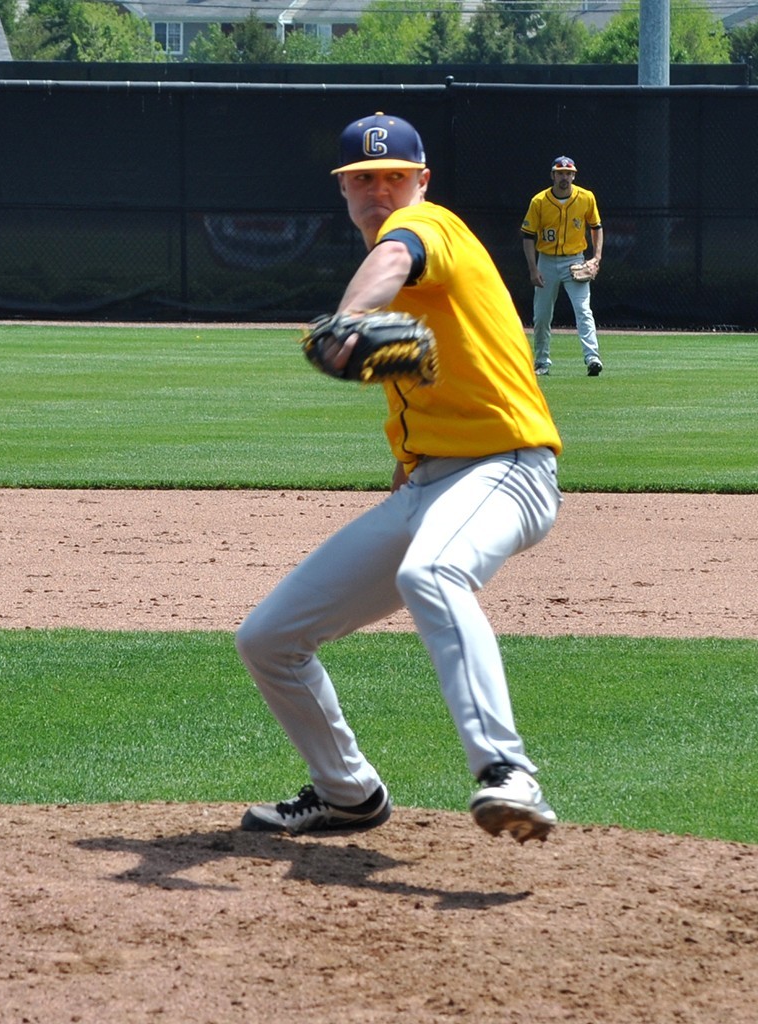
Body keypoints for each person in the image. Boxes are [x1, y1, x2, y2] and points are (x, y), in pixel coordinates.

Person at [235, 112, 564, 845]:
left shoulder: (430, 230)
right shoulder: (398, 270)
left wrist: (347, 317)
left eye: (393, 177)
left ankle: (507, 771)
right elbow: (422, 389)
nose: (380, 190)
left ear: (422, 181)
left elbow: (395, 257)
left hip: (510, 467)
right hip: (430, 486)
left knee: (433, 575)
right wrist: (403, 473)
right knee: (269, 638)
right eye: (363, 179)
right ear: (345, 191)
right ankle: (347, 792)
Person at [521, 155, 604, 376]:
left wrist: (596, 258)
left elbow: (596, 227)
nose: (564, 177)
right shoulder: (539, 201)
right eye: (560, 173)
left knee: (583, 310)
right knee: (541, 315)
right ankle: (541, 362)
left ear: (574, 175)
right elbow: (528, 236)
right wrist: (533, 268)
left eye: (568, 173)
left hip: (575, 260)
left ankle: (592, 358)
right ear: (552, 175)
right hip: (546, 261)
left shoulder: (586, 197)